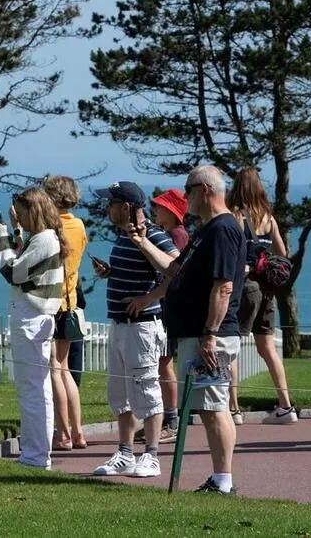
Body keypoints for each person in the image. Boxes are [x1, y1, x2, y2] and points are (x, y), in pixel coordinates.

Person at [135, 165, 246, 494]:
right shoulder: (205, 231)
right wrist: (142, 241)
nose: (185, 197)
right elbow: (174, 268)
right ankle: (219, 478)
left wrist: (210, 334)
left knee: (214, 406)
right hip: (196, 334)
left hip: (209, 335)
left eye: (189, 189)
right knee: (207, 406)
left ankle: (223, 480)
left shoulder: (223, 228)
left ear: (206, 190)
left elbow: (223, 286)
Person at [89, 181, 178, 478]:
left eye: (111, 203)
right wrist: (110, 273)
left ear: (126, 207)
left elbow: (176, 271)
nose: (107, 209)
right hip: (119, 325)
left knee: (147, 392)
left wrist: (150, 298)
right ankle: (125, 453)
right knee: (120, 394)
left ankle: (151, 456)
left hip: (141, 329)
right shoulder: (123, 236)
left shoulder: (153, 235)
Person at [0, 187, 67, 469]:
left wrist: (1, 238)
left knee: (32, 392)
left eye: (22, 213)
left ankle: (36, 456)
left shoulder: (45, 240)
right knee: (38, 390)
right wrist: (15, 233)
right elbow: (26, 263)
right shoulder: (43, 239)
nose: (19, 218)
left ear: (33, 211)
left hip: (30, 317)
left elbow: (14, 272)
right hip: (33, 316)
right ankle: (37, 454)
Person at [226, 168, 297, 425]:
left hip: (245, 287)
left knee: (231, 348)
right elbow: (282, 251)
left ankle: (234, 409)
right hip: (267, 289)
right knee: (268, 347)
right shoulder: (268, 218)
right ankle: (285, 405)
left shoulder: (235, 216)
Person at [42, 175, 89, 451]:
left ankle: (63, 434)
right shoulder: (79, 225)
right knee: (66, 368)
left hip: (53, 303)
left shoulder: (51, 228)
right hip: (71, 302)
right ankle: (79, 431)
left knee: (55, 370)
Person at [150, 188, 190, 441]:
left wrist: (150, 297)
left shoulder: (175, 236)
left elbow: (172, 271)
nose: (155, 211)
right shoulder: (173, 234)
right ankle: (166, 418)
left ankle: (171, 421)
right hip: (168, 306)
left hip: (168, 308)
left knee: (164, 364)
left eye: (160, 207)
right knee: (163, 364)